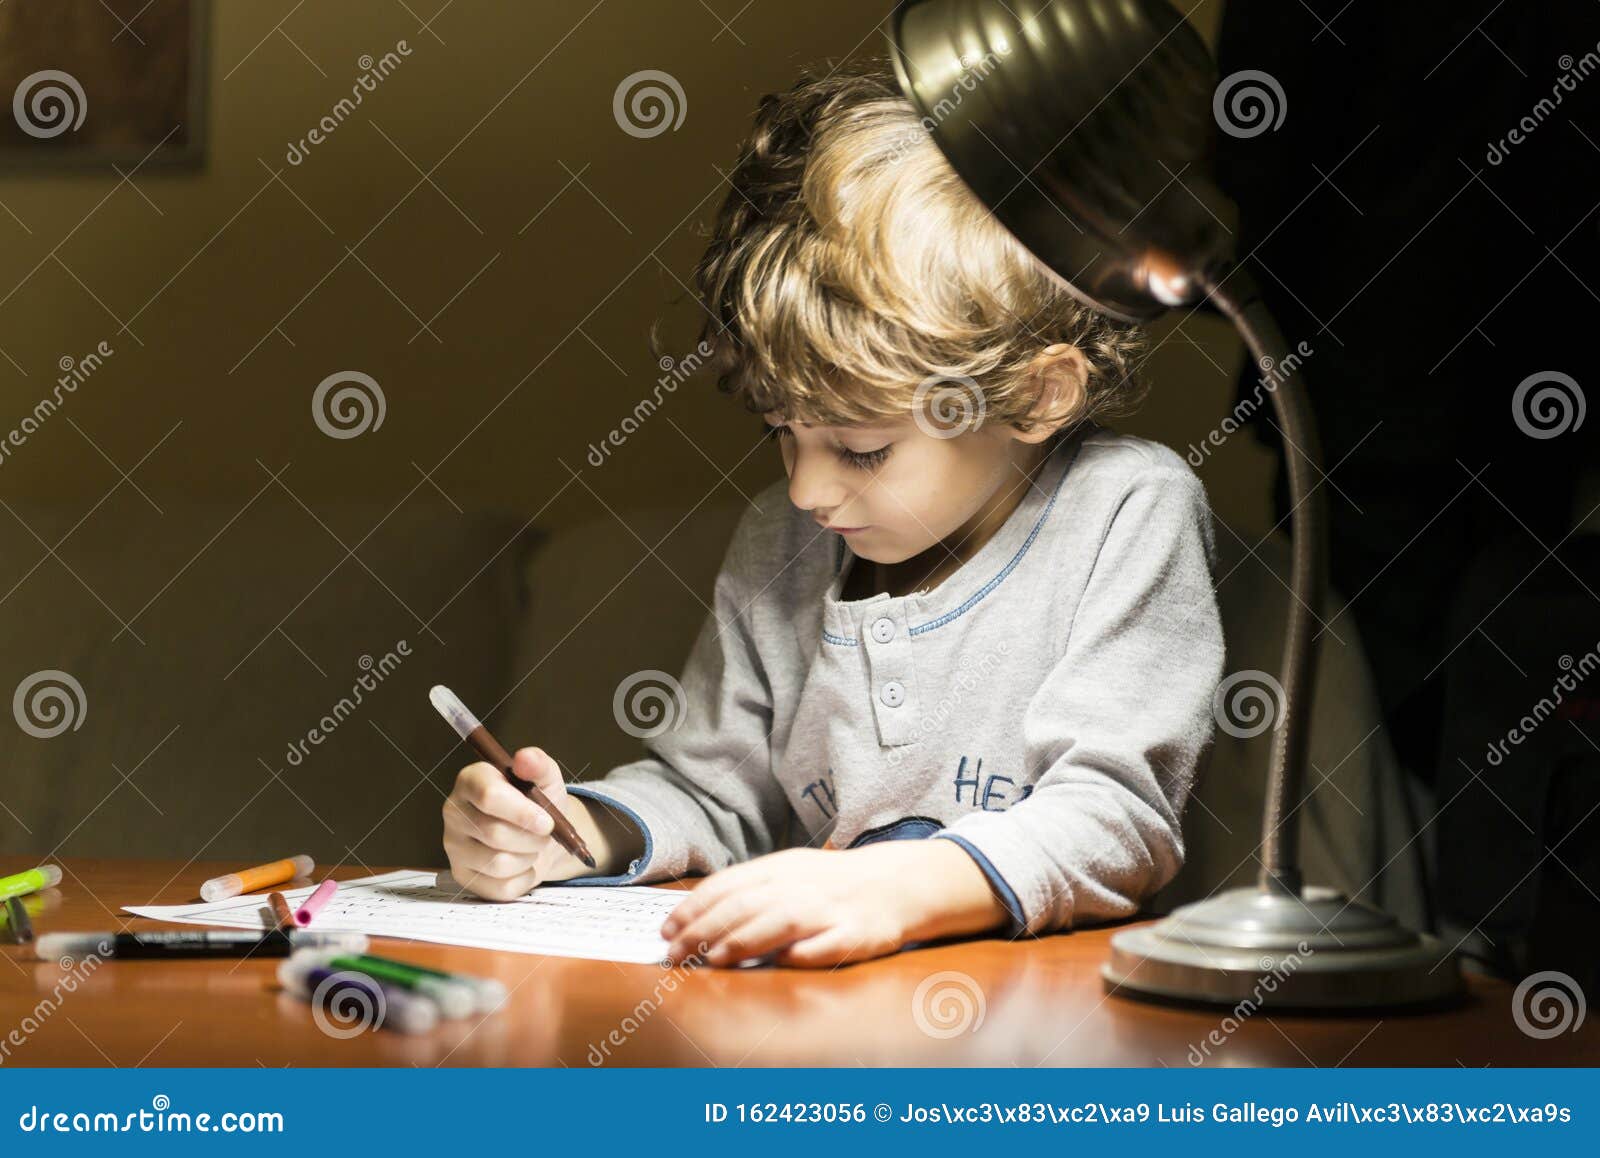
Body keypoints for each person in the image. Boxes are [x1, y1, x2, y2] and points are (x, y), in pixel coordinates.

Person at [441, 62, 1224, 968]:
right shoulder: (782, 540)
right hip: (824, 1014)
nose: (806, 491)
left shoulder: (1128, 510)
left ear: (1039, 394)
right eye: (782, 431)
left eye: (861, 449)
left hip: (1045, 1025)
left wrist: (893, 890)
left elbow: (1115, 817)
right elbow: (712, 791)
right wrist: (571, 831)